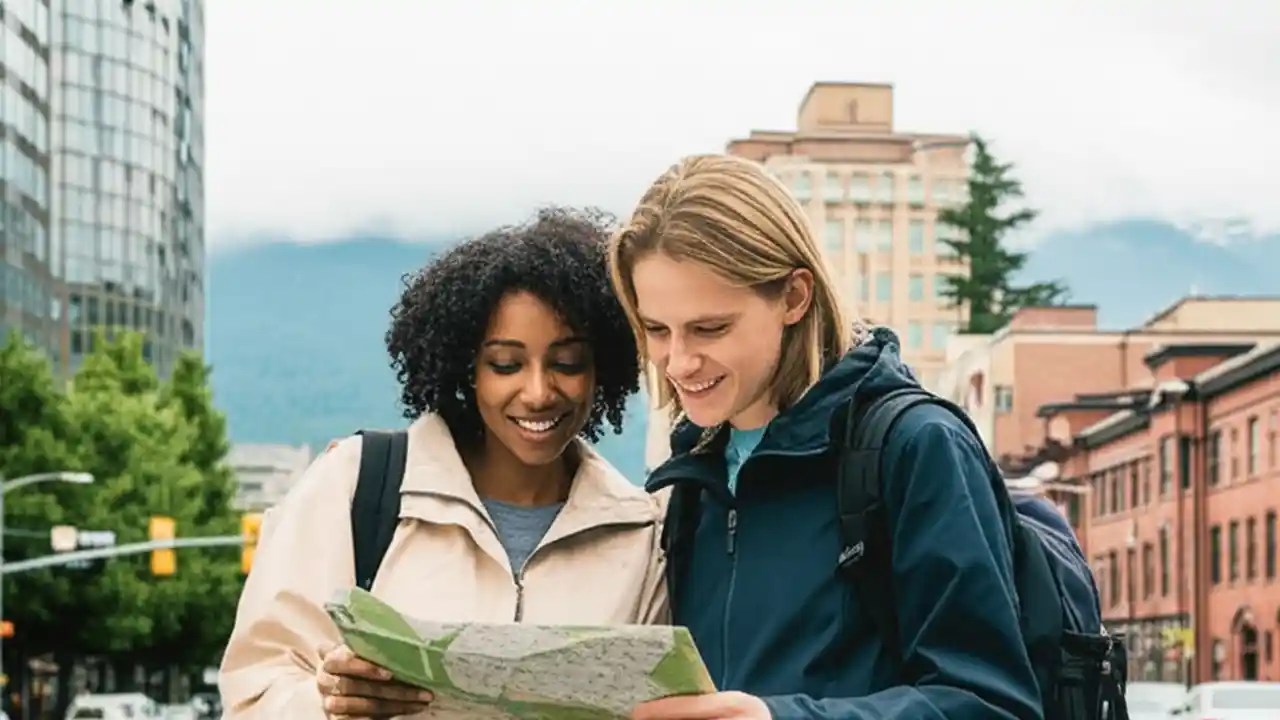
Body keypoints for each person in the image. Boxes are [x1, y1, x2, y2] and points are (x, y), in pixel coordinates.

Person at [607, 154, 1043, 720]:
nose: (680, 362)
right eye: (657, 330)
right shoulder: (696, 475)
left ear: (794, 297)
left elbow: (992, 705)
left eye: (710, 328)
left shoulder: (917, 448)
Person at [218, 207, 668, 719]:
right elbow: (253, 695)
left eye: (567, 363)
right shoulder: (355, 487)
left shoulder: (642, 533)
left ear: (602, 369)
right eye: (506, 364)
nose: (539, 392)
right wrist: (327, 704)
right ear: (467, 367)